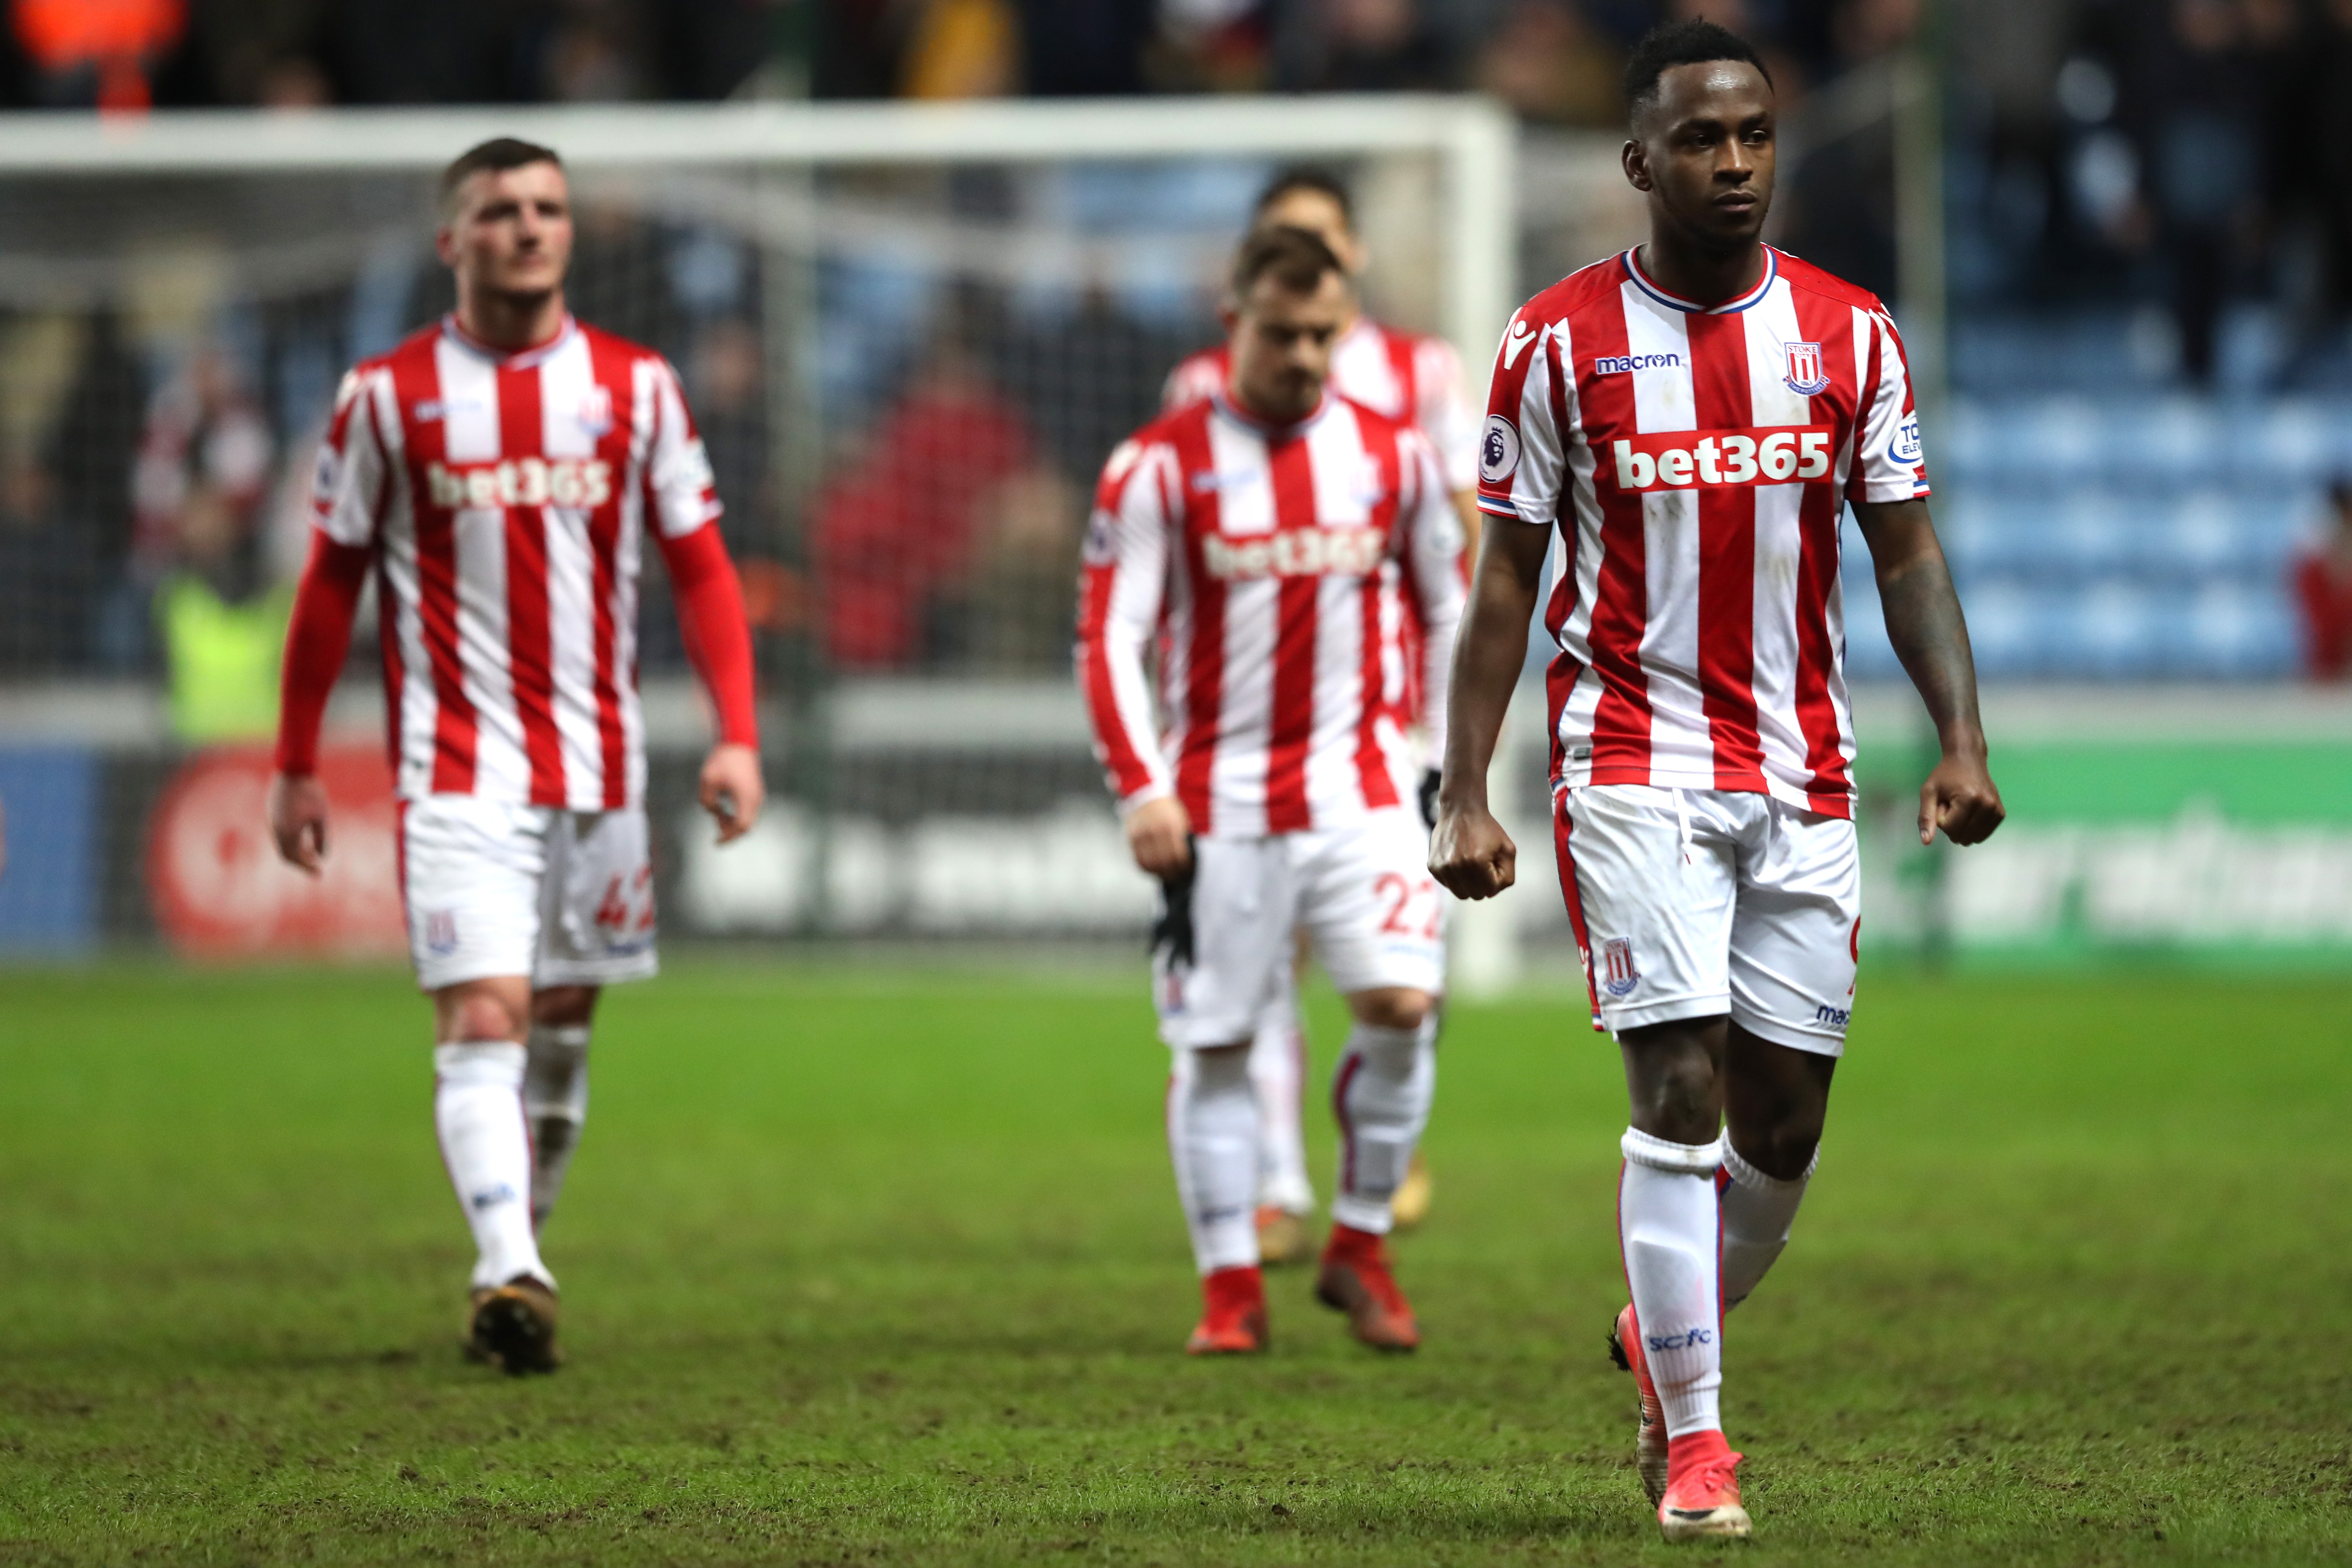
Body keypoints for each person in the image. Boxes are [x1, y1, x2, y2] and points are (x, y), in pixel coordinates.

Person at [1428, 20, 2004, 1543]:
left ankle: (1659, 1326)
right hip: (1630, 758)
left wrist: (1961, 738)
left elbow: (1907, 552)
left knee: (1785, 1126)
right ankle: (1698, 1444)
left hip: (1802, 766)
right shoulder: (1554, 342)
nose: (1734, 162)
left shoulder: (1852, 335)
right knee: (1679, 1089)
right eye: (1700, 139)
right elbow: (1505, 580)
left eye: (1753, 135)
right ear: (1639, 161)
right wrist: (1462, 786)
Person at [266, 138, 763, 1375]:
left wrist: (738, 735)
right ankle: (509, 1265)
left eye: (548, 207)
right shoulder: (386, 397)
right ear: (453, 241)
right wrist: (295, 758)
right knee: (486, 1013)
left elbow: (703, 568)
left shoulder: (638, 387)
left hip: (601, 765)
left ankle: (516, 1255)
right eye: (500, 211)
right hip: (455, 765)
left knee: (565, 1019)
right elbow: (329, 583)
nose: (530, 227)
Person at [1079, 226, 1467, 1356]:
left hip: (1366, 792)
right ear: (1233, 322)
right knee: (1216, 1046)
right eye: (1281, 333)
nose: (1303, 355)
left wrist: (1443, 761)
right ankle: (1229, 1289)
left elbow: (1450, 609)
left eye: (1321, 335)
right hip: (1219, 809)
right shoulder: (1157, 465)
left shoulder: (1394, 456)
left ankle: (1359, 1245)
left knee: (1403, 1007)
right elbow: (1110, 637)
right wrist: (1142, 786)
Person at [1161, 167, 1479, 1265]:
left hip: (1388, 728)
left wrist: (1448, 718)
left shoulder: (1421, 372)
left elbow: (1464, 528)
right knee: (1264, 967)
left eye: (1324, 242)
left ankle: (1378, 1142)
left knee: (1399, 966)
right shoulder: (1199, 384)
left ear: (1355, 258)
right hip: (1247, 740)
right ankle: (1278, 1185)